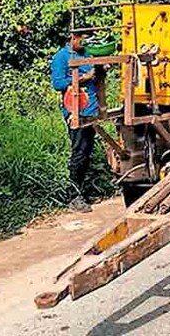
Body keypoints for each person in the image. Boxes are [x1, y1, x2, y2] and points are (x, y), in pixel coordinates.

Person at [50, 33, 99, 213]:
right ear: (73, 37)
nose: (85, 42)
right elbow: (58, 83)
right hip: (75, 110)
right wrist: (84, 78)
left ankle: (82, 191)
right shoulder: (61, 57)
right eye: (82, 39)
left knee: (87, 151)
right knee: (79, 151)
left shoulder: (88, 54)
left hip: (91, 109)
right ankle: (74, 195)